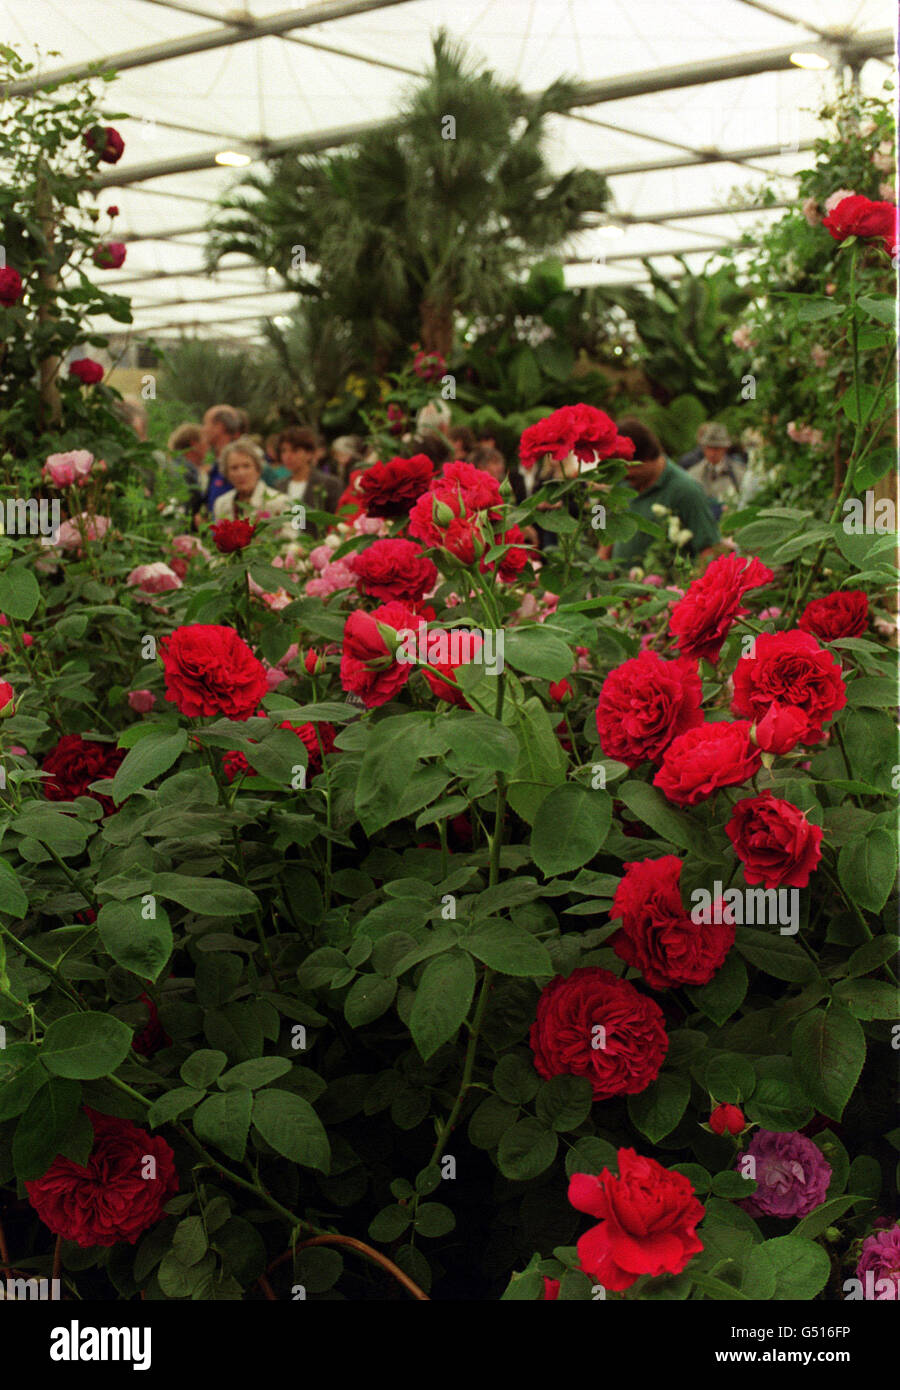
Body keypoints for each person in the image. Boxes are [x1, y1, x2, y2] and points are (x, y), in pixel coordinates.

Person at [598, 418, 720, 566]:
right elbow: (608, 522)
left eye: (629, 469)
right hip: (617, 584)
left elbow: (708, 550)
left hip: (661, 585)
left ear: (649, 457)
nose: (623, 475)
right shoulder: (622, 481)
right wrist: (602, 561)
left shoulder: (685, 490)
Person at [276, 426, 342, 536]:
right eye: (284, 451)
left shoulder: (329, 484)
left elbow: (337, 522)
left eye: (295, 451)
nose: (288, 456)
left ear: (309, 454)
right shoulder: (279, 486)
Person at [212, 438, 288, 523]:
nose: (241, 473)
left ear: (258, 470)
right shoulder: (221, 504)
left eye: (246, 466)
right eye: (234, 468)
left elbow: (289, 535)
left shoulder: (280, 502)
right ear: (227, 474)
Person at [682, 422, 748, 519]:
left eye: (717, 448)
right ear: (704, 448)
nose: (712, 453)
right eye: (709, 448)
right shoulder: (692, 474)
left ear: (725, 448)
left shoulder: (739, 473)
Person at [200, 404, 243, 516]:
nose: (203, 429)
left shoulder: (237, 462)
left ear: (219, 427)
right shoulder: (217, 464)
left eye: (205, 424)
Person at [167, 422, 207, 515]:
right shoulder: (184, 472)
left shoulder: (171, 466)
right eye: (205, 443)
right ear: (194, 444)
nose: (207, 448)